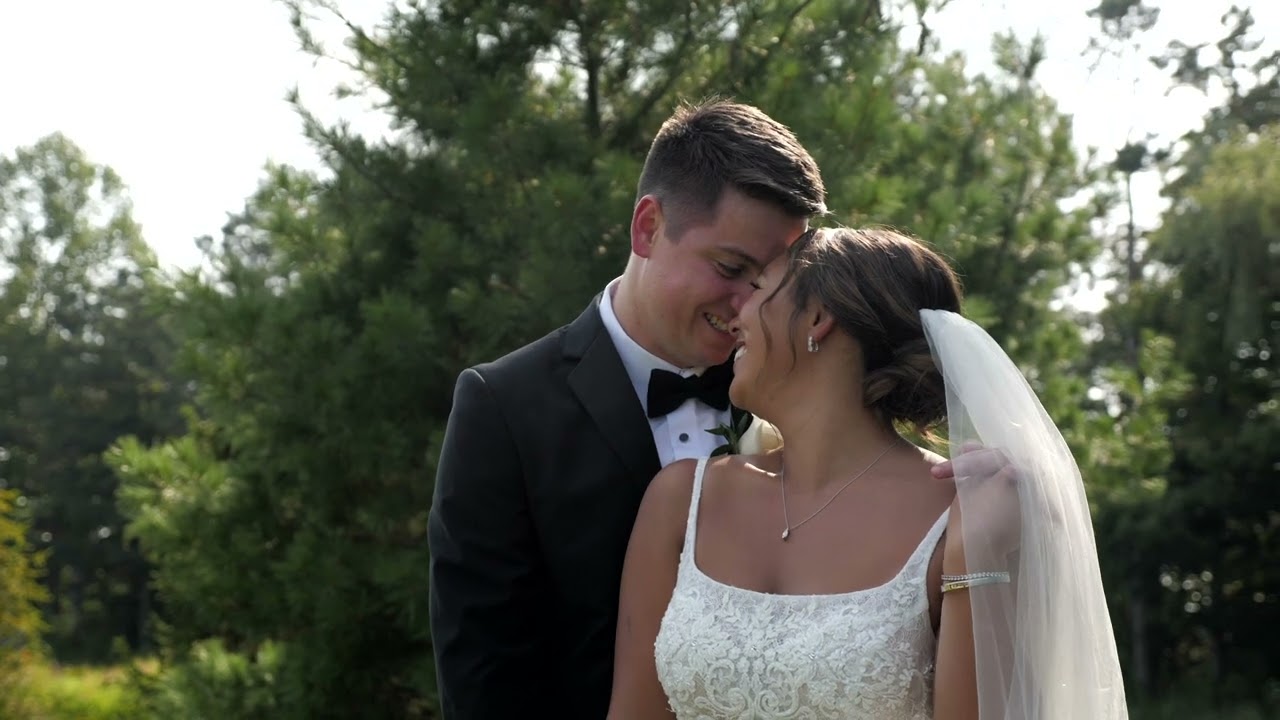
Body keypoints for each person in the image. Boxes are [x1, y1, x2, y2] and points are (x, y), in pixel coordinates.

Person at [607, 227, 1128, 719]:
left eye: (758, 287)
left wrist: (977, 558)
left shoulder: (968, 518)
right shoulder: (682, 499)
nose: (735, 310)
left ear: (817, 318)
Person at [427, 99, 829, 719]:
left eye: (770, 281)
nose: (748, 303)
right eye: (731, 268)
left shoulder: (796, 390)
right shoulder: (503, 407)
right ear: (647, 228)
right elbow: (487, 675)